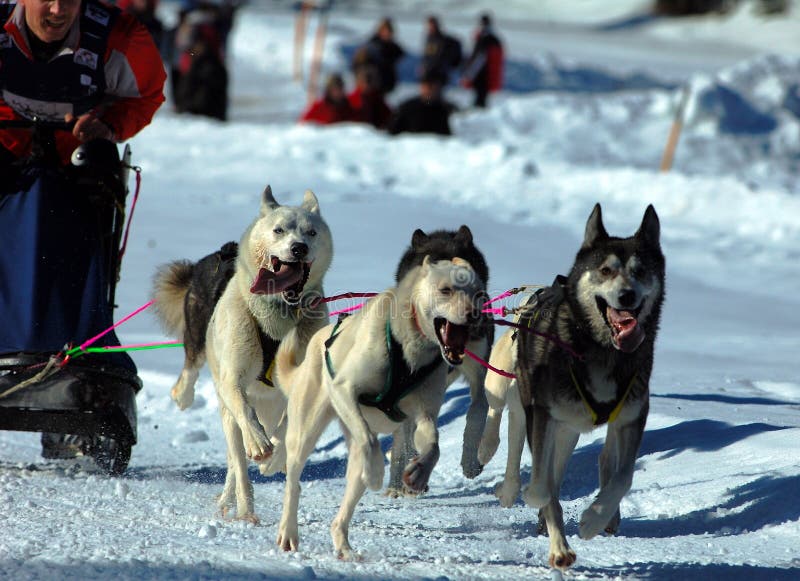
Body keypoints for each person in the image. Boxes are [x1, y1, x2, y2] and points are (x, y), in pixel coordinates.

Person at [0, 0, 166, 461]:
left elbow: (147, 93)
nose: (56, 10)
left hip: (75, 177)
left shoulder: (119, 38)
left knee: (67, 210)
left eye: (68, 0)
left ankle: (76, 359)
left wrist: (108, 125)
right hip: (7, 163)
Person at [388, 70, 455, 136]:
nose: (429, 89)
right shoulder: (407, 108)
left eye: (434, 85)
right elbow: (393, 134)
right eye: (427, 85)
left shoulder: (447, 110)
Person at [351, 17, 404, 95]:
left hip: (385, 87)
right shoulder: (371, 46)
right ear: (380, 30)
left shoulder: (393, 48)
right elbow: (358, 65)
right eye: (386, 31)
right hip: (369, 87)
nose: (387, 34)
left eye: (389, 31)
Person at [461, 12, 504, 108]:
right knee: (482, 99)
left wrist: (469, 75)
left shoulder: (484, 39)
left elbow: (479, 60)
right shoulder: (494, 39)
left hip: (482, 76)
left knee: (479, 101)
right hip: (488, 76)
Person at [420, 15, 462, 85]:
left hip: (438, 73)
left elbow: (439, 57)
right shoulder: (430, 38)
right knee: (427, 94)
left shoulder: (441, 40)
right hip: (429, 72)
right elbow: (427, 55)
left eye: (431, 25)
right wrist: (423, 65)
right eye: (428, 26)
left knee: (435, 93)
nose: (429, 28)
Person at [348, 65, 392, 130]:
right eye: (363, 81)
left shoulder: (377, 99)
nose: (366, 84)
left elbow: (388, 118)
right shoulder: (351, 100)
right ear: (357, 81)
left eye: (369, 81)